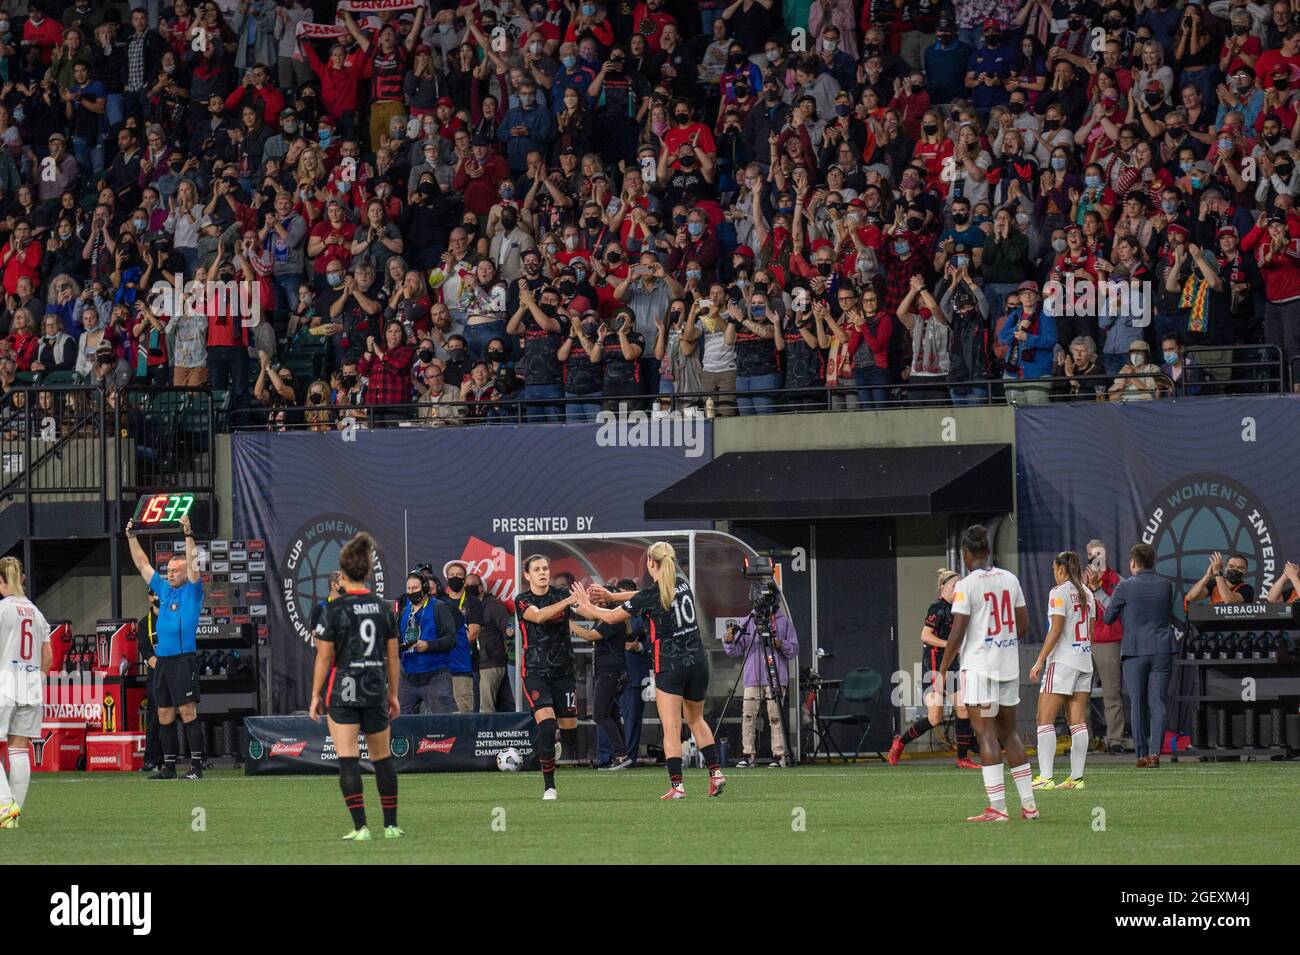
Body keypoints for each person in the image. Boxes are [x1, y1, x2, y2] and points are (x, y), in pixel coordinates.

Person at [573, 541, 726, 799]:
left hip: (670, 666)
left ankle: (677, 786)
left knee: (671, 728)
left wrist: (584, 606)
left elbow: (610, 617)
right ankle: (716, 773)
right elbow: (643, 595)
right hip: (698, 663)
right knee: (696, 720)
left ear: (650, 563)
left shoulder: (651, 595)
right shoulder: (682, 583)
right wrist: (612, 597)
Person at [937, 525, 1039, 823]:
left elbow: (957, 632)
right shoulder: (1010, 579)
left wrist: (942, 671)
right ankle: (1030, 806)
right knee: (1009, 734)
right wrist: (1000, 641)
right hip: (1007, 666)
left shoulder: (967, 585)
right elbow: (1023, 626)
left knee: (985, 734)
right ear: (989, 551)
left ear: (966, 554)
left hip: (979, 668)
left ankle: (998, 807)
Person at [308, 533, 403, 841]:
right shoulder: (382, 608)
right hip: (374, 688)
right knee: (382, 758)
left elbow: (324, 656)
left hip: (343, 690)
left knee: (348, 758)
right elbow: (393, 658)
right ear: (367, 571)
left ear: (342, 573)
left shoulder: (334, 609)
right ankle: (391, 826)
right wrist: (393, 694)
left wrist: (315, 695)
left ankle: (361, 828)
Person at [126, 513, 204, 780]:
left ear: (185, 573)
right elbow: (142, 564)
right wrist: (131, 537)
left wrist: (188, 534)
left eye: (175, 570)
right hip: (163, 662)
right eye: (168, 570)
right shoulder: (164, 589)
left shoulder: (192, 591)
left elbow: (194, 564)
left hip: (183, 660)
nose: (170, 574)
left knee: (187, 711)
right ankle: (169, 767)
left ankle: (196, 767)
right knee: (164, 713)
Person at [886, 568, 978, 769]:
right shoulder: (937, 608)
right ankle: (900, 742)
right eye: (954, 585)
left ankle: (963, 758)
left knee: (963, 707)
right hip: (934, 667)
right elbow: (925, 636)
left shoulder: (960, 609)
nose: (958, 589)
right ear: (942, 587)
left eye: (961, 585)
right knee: (935, 718)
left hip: (953, 666)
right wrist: (950, 645)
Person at [1103, 543, 1178, 769]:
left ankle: (1141, 755)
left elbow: (1107, 618)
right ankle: (1155, 754)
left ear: (1133, 563)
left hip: (1135, 651)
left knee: (1137, 703)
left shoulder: (1125, 587)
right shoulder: (1166, 585)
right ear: (1153, 561)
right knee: (1157, 703)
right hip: (1162, 650)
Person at [514, 555, 582, 800]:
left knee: (570, 733)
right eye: (537, 569)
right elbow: (539, 616)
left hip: (563, 672)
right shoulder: (522, 600)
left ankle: (556, 742)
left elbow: (581, 608)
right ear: (527, 575)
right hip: (535, 672)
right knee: (546, 724)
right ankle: (549, 787)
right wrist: (568, 602)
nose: (542, 572)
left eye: (545, 568)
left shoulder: (561, 593)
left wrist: (592, 604)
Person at [1029, 552, 1097, 792]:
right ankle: (1076, 779)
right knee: (1077, 722)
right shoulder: (1088, 593)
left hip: (1063, 662)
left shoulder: (1058, 593)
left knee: (1043, 719)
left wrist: (1040, 660)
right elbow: (1091, 631)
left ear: (1060, 569)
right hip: (1084, 661)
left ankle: (1046, 777)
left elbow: (1056, 629)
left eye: (1054, 569)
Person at [0, 557, 52, 829]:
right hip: (30, 686)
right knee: (19, 750)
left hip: (4, 683)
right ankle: (12, 816)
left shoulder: (2, 610)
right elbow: (48, 655)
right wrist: (36, 680)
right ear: (21, 578)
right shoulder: (36, 612)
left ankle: (4, 805)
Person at [722, 604, 798, 768]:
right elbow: (734, 651)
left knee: (775, 717)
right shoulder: (748, 620)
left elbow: (793, 650)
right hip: (752, 677)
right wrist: (728, 639)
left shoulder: (783, 621)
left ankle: (779, 755)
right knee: (748, 716)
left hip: (775, 676)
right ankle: (747, 754)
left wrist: (780, 643)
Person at [573, 578, 635, 771]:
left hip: (610, 672)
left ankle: (621, 754)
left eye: (599, 600)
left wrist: (567, 624)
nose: (596, 603)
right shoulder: (606, 616)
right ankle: (622, 755)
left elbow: (590, 635)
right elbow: (586, 612)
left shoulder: (614, 620)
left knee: (600, 714)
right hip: (606, 671)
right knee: (611, 713)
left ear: (608, 602)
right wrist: (569, 605)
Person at [1084, 540, 1127, 755]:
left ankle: (1115, 740)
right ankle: (1084, 740)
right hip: (1083, 642)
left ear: (1106, 556)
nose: (1097, 559)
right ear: (1088, 557)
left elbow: (1115, 610)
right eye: (1093, 556)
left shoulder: (1117, 581)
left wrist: (1097, 587)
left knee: (1112, 693)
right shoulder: (1079, 580)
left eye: (1100, 554)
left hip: (1108, 641)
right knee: (1080, 695)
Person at [396, 572, 458, 714]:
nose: (411, 592)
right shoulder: (405, 611)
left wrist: (428, 645)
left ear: (425, 588)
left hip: (435, 675)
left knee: (445, 720)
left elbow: (451, 639)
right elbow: (399, 638)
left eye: (415, 588)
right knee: (398, 720)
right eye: (409, 588)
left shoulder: (439, 607)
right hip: (408, 675)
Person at [467, 572, 512, 713]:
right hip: (474, 664)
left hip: (491, 663)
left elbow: (508, 632)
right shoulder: (467, 607)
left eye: (473, 585)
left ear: (481, 587)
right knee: (476, 707)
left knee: (486, 709)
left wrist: (501, 654)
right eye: (467, 585)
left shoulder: (493, 606)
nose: (470, 588)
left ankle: (488, 729)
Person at [138, 590, 163, 771]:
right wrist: (157, 664)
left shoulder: (173, 617)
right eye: (155, 594)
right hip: (157, 673)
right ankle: (152, 759)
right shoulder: (143, 624)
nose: (158, 598)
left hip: (176, 669)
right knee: (154, 715)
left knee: (186, 713)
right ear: (150, 597)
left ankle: (195, 758)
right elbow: (146, 650)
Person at [1184, 551, 1255, 610]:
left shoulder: (1247, 589)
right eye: (1231, 566)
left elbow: (1229, 601)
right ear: (1225, 568)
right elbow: (1190, 597)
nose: (1234, 570)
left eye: (1240, 568)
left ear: (1245, 571)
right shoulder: (1214, 584)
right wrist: (1207, 576)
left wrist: (1217, 572)